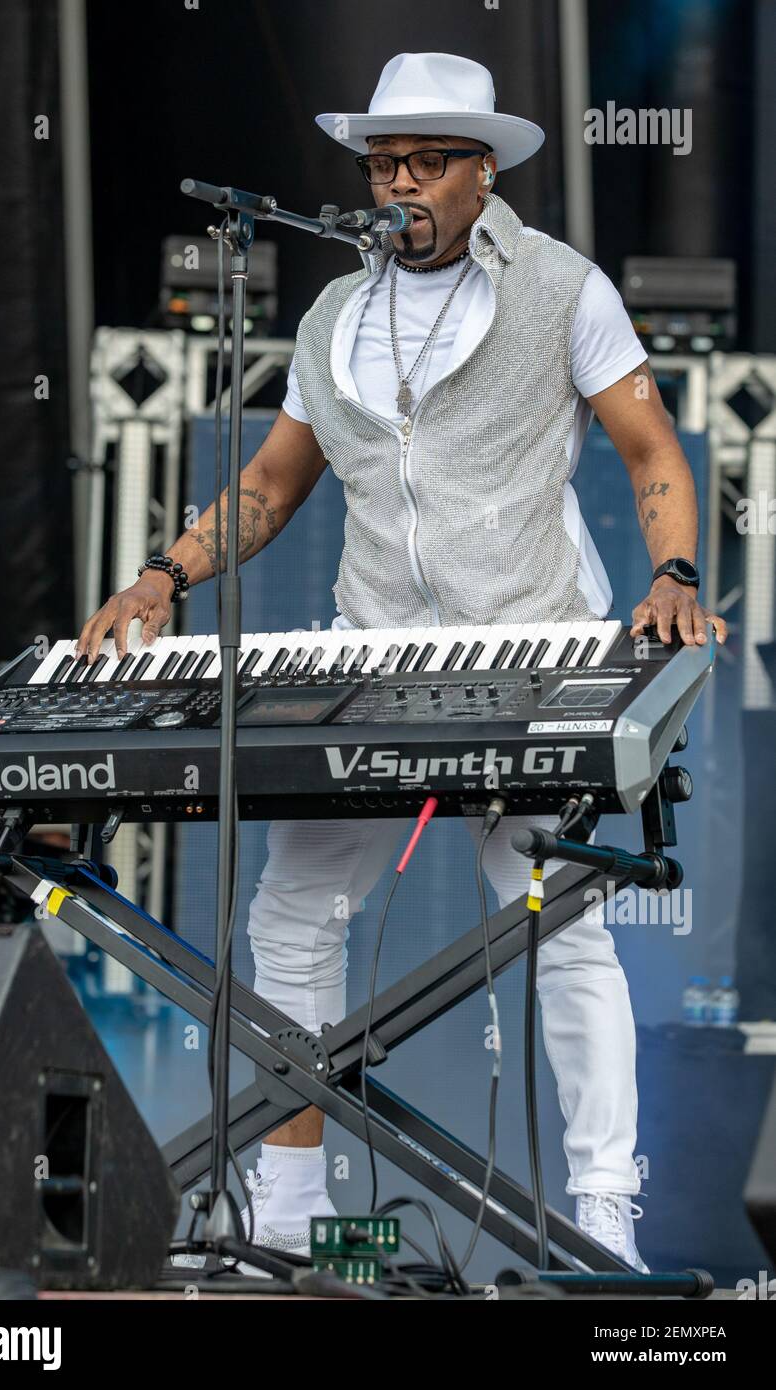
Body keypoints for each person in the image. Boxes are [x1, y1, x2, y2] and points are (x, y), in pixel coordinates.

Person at [78, 52, 727, 1271]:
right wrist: (163, 575)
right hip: (376, 652)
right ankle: (276, 1215)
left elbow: (648, 446)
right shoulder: (332, 318)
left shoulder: (561, 288)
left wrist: (673, 576)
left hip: (539, 647)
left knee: (564, 928)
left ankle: (602, 1222)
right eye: (383, 163)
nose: (401, 183)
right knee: (292, 916)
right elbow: (271, 484)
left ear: (482, 172)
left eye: (428, 162)